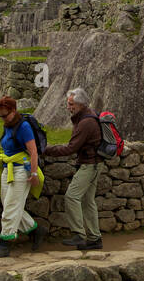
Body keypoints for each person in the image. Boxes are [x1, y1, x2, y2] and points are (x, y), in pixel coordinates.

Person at [43, 87, 104, 250]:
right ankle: (94, 238)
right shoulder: (87, 117)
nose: (68, 107)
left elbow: (71, 148)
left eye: (71, 104)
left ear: (80, 104)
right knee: (87, 201)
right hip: (94, 163)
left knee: (72, 196)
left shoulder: (86, 122)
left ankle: (79, 235)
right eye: (68, 104)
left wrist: (45, 149)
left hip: (89, 165)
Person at [0, 96, 46, 257]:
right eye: (0, 115)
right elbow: (6, 145)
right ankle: (36, 231)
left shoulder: (24, 127)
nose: (2, 118)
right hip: (8, 169)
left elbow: (33, 152)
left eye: (4, 115)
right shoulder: (9, 125)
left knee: (11, 208)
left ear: (13, 111)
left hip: (21, 171)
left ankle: (5, 243)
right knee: (10, 206)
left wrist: (34, 174)